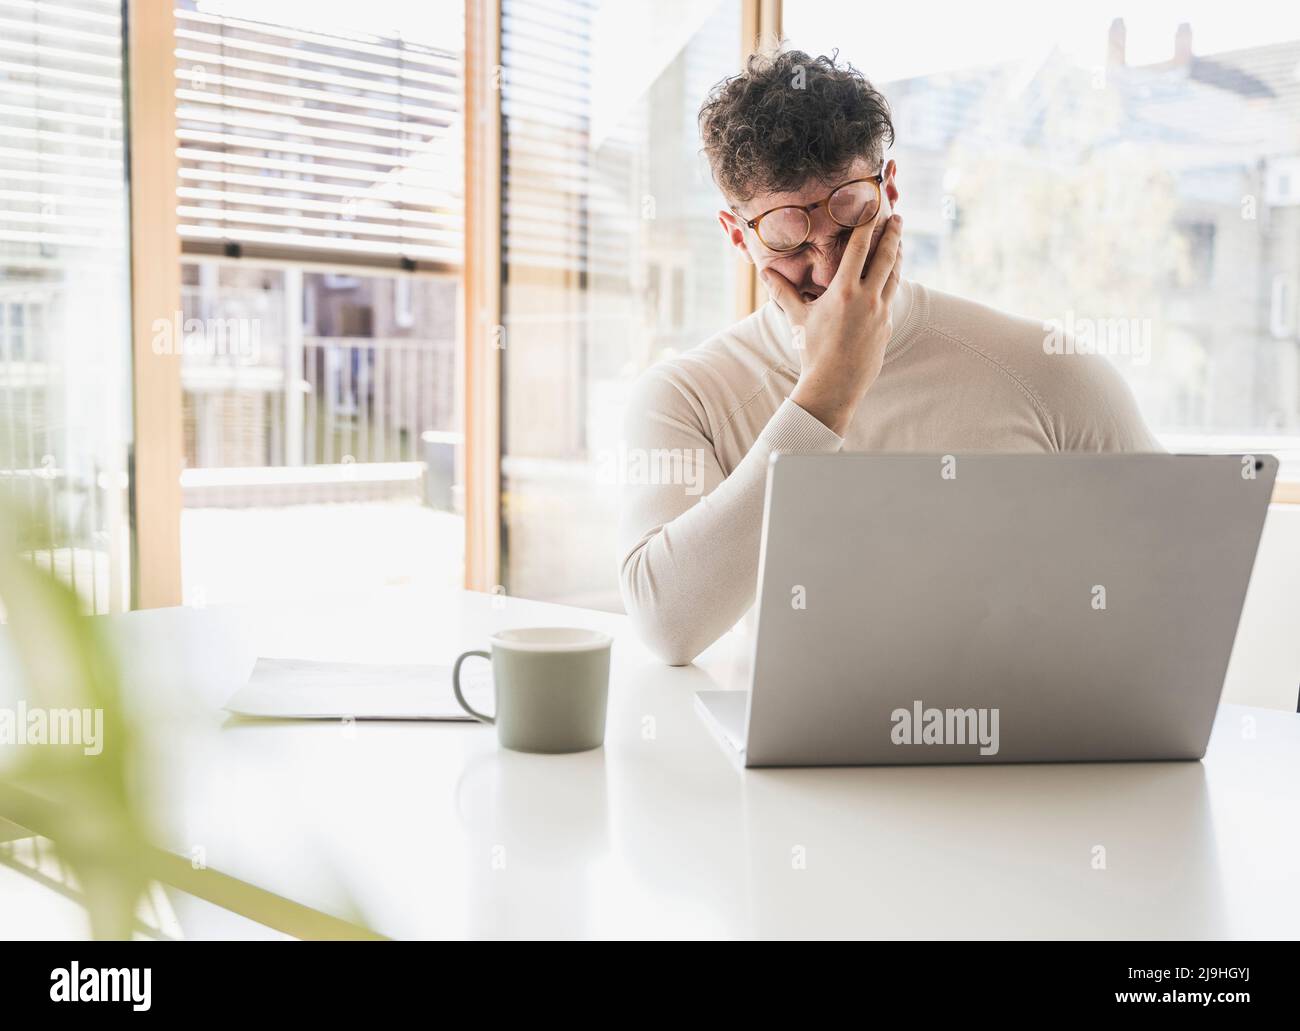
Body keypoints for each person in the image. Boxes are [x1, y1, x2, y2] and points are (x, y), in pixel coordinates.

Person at [619, 50, 1158, 665]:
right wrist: (825, 396)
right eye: (786, 233)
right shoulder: (685, 397)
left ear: (889, 190)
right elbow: (669, 627)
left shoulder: (1051, 371)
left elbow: (1170, 574)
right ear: (739, 236)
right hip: (789, 755)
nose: (829, 268)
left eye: (849, 215)